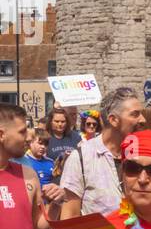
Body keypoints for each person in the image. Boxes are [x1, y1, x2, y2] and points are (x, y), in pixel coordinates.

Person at [58, 86, 146, 218]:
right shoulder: (81, 157)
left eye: (142, 113)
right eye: (135, 114)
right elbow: (69, 216)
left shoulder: (144, 153)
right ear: (113, 120)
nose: (143, 120)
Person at [22, 127, 62, 229]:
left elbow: (55, 180)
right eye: (40, 143)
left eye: (46, 144)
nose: (43, 147)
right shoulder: (23, 161)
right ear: (30, 143)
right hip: (29, 208)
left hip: (47, 209)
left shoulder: (49, 162)